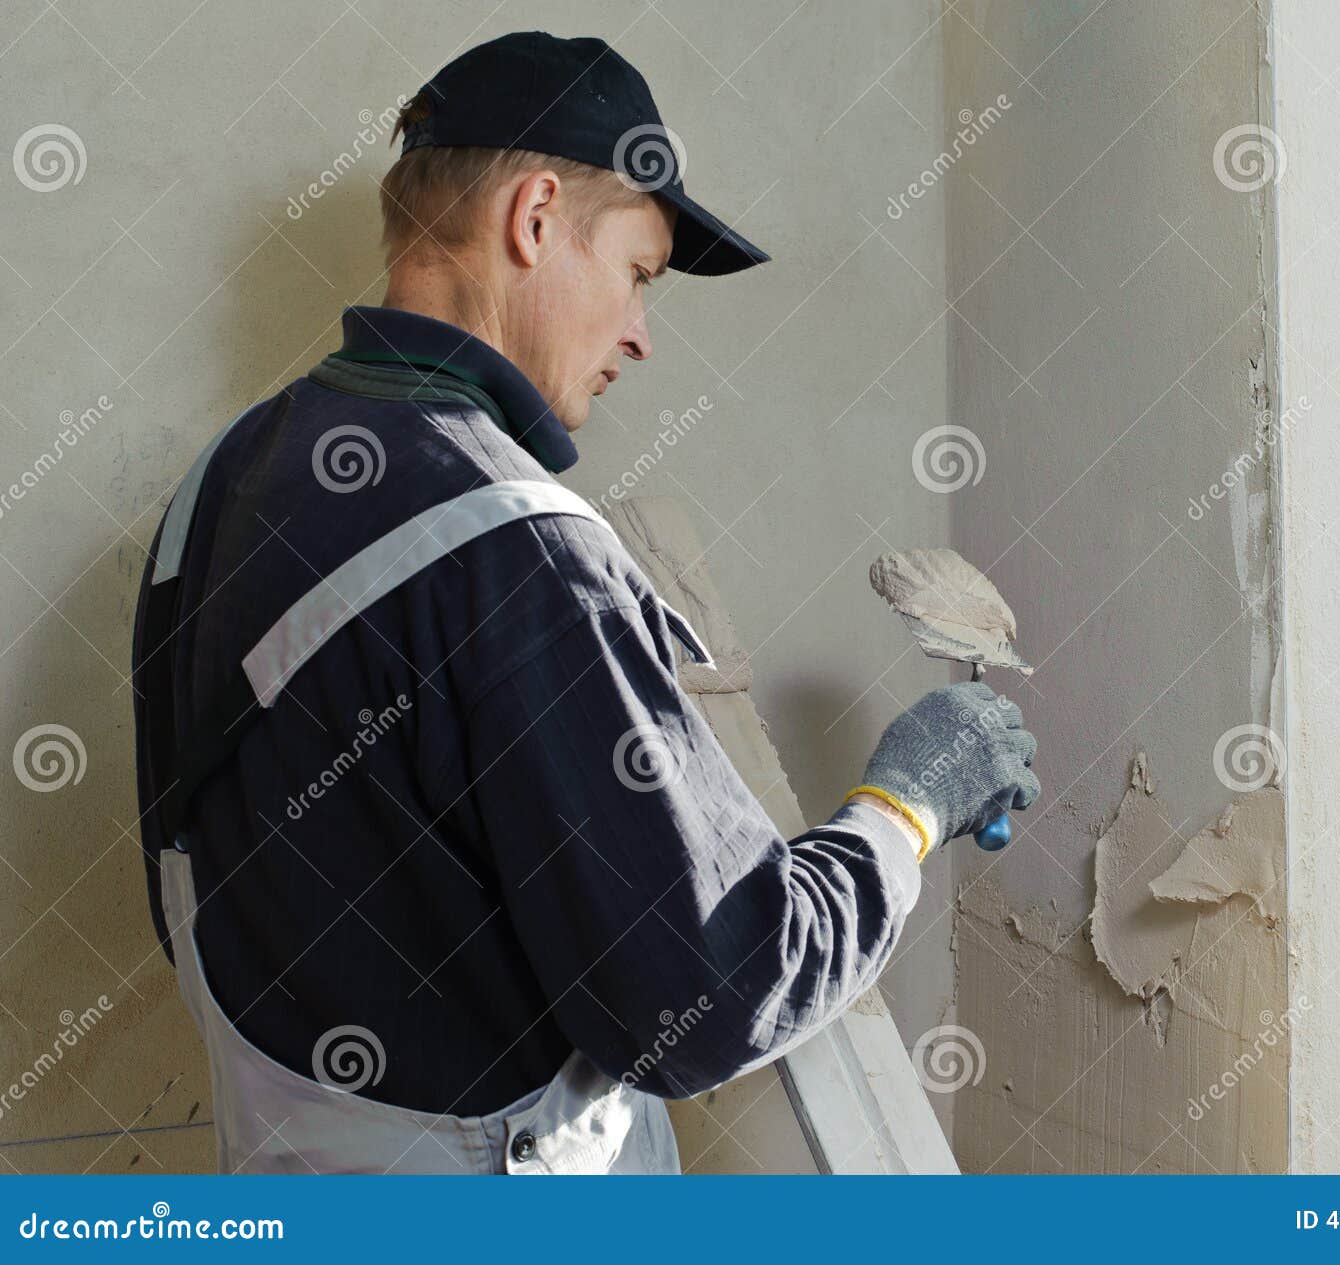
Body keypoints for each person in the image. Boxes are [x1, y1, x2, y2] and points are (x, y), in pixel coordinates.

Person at [130, 30, 1039, 1175]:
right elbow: (707, 991)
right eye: (638, 274)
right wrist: (907, 805)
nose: (640, 335)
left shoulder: (217, 487)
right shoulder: (515, 548)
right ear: (535, 216)